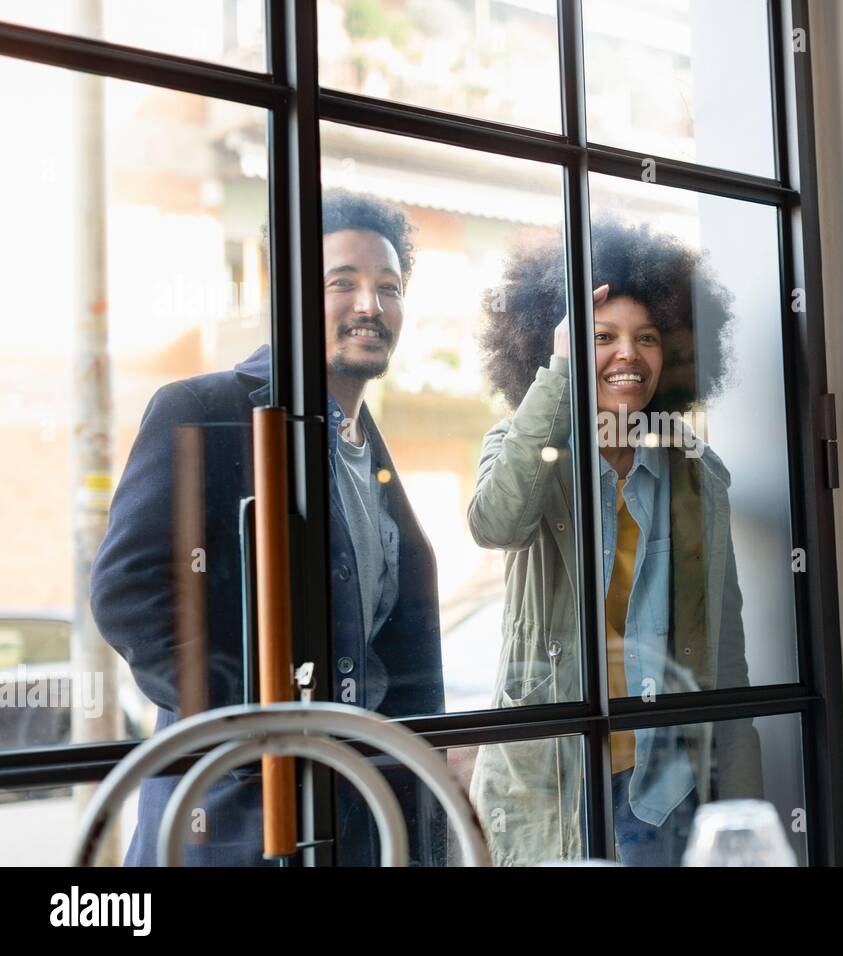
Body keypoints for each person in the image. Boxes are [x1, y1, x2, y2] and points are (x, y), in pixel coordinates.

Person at [90, 189, 445, 866]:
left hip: (360, 819)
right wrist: (256, 726)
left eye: (388, 287)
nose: (370, 305)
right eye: (342, 282)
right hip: (239, 820)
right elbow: (131, 594)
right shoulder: (203, 408)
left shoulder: (366, 449)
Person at [467, 219, 762, 866]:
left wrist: (743, 809)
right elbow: (496, 523)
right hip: (552, 783)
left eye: (648, 338)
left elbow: (725, 655)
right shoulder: (530, 450)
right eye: (603, 337)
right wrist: (563, 368)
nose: (628, 354)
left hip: (663, 791)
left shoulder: (695, 471)